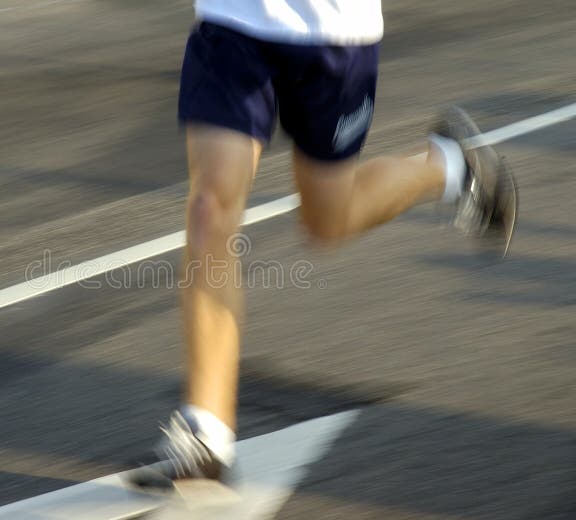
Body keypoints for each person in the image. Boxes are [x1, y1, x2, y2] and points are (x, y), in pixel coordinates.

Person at [129, 0, 517, 490]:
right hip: (232, 25)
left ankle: (449, 166)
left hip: (335, 34)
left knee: (328, 222)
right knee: (211, 208)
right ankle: (207, 430)